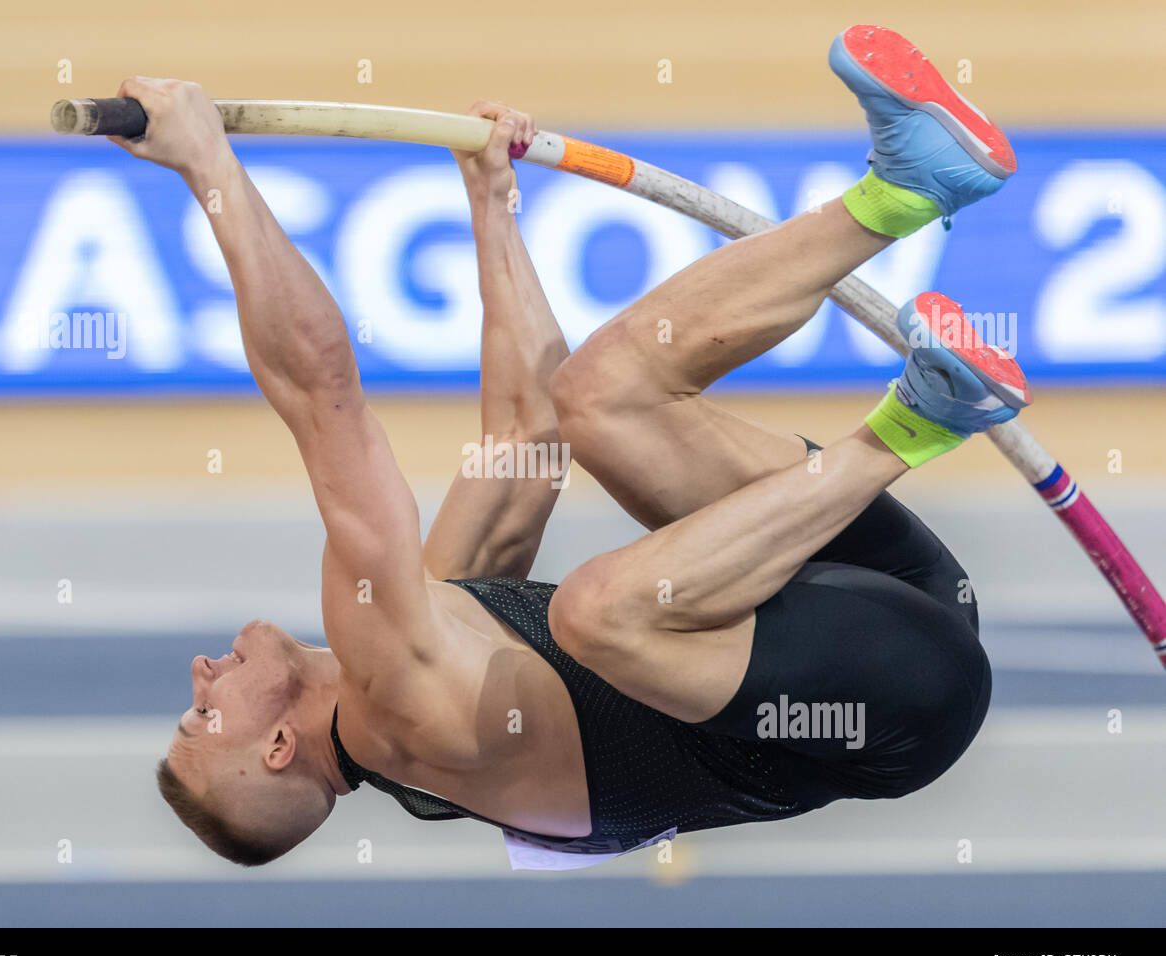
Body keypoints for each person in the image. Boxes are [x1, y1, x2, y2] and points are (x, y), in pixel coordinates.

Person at [126, 24, 1030, 866]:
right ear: (280, 748)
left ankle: (907, 187)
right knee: (593, 614)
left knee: (594, 399)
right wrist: (208, 164)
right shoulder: (398, 696)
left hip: (886, 594)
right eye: (201, 715)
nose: (203, 674)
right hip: (897, 699)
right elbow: (320, 390)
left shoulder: (420, 624)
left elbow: (528, 438)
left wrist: (491, 203)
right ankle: (920, 421)